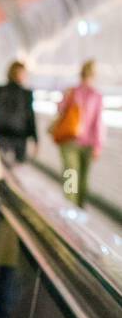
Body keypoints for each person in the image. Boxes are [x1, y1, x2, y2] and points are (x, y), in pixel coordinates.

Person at [53, 59, 105, 208]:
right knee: (73, 177)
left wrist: (97, 146)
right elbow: (98, 124)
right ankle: (71, 208)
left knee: (78, 179)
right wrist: (98, 146)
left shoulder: (94, 95)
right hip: (73, 142)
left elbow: (98, 123)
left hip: (80, 143)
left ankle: (76, 209)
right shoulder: (76, 92)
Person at [0, 60, 38, 164]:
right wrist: (35, 139)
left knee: (1, 167)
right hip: (19, 136)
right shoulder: (26, 93)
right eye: (24, 73)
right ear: (18, 73)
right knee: (19, 166)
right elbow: (30, 117)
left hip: (0, 134)